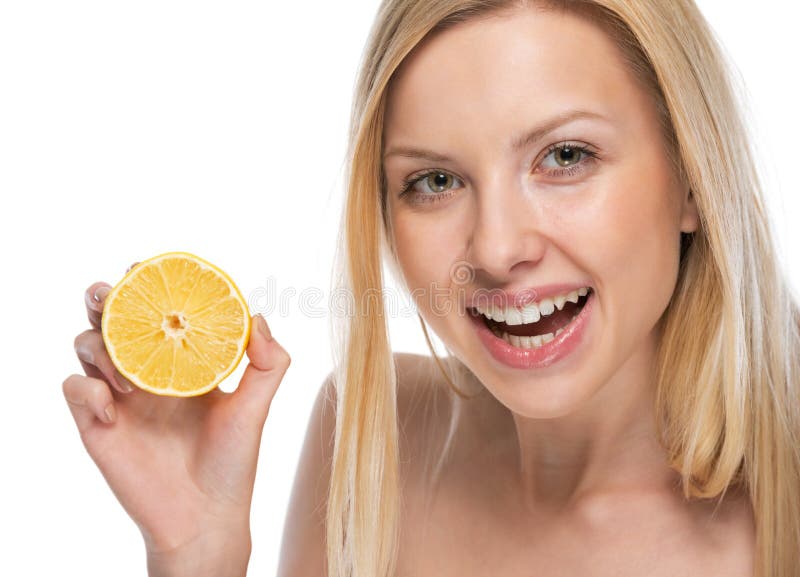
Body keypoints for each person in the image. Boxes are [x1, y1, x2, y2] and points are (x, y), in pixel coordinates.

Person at [64, 1, 800, 576]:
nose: (498, 249)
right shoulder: (376, 440)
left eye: (565, 156)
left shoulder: (782, 509)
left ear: (692, 177)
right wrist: (198, 553)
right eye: (436, 180)